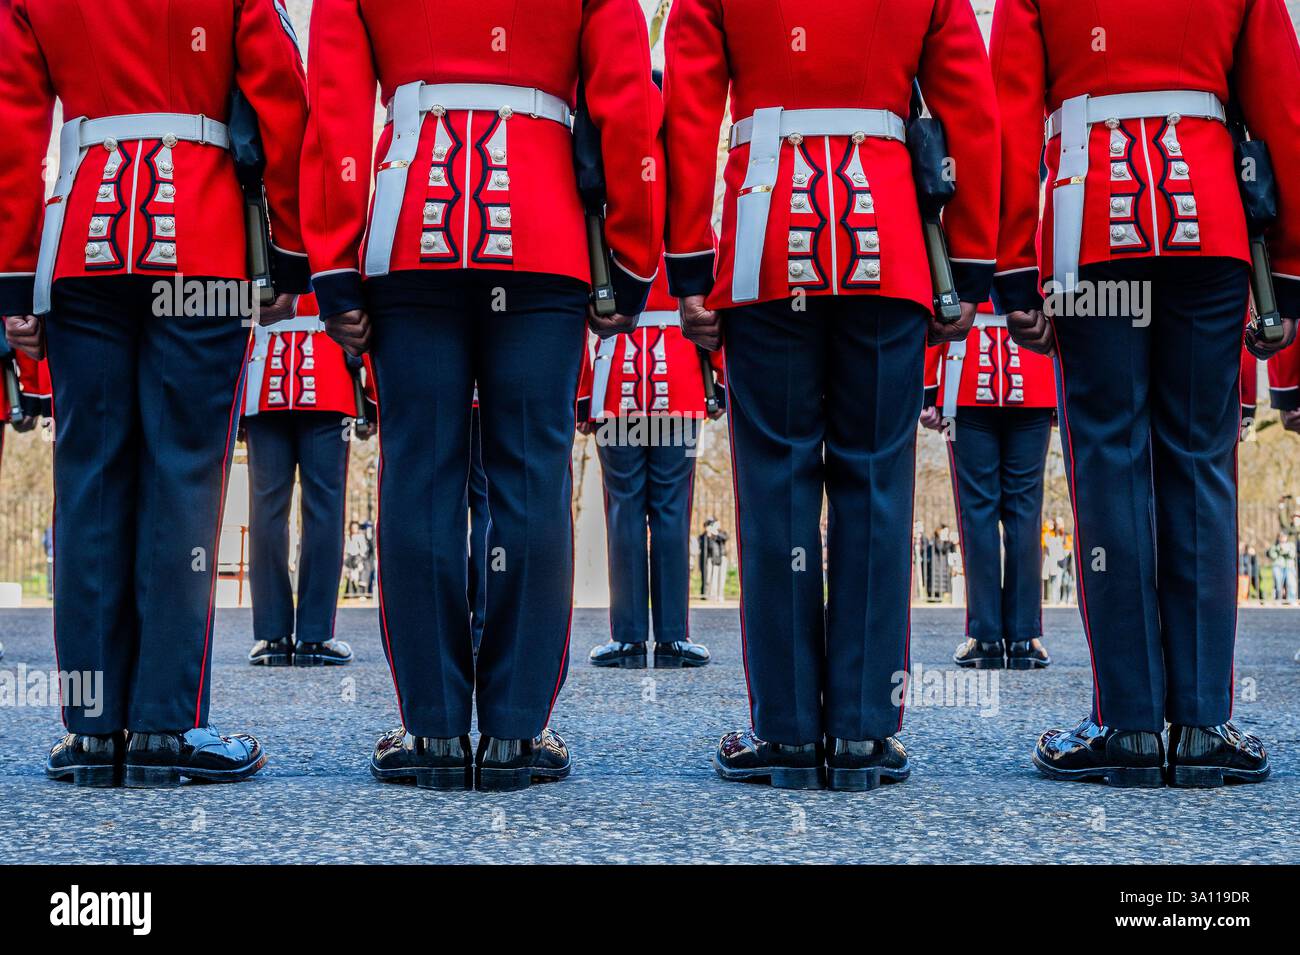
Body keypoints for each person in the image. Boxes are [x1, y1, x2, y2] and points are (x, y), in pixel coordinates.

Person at [302, 0, 664, 792]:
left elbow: (334, 105)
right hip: (543, 226)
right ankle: (514, 733)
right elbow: (628, 100)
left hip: (413, 223)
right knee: (531, 479)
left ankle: (432, 731)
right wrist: (633, 252)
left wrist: (333, 258)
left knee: (420, 474)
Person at [666, 0, 999, 790]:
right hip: (888, 241)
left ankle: (784, 729)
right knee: (877, 487)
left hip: (764, 236)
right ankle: (860, 730)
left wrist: (690, 264)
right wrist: (971, 263)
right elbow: (972, 111)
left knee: (776, 484)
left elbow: (686, 109)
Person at [0, 0, 310, 787]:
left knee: (89, 483)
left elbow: (12, 121)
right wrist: (286, 248)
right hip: (199, 242)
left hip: (84, 242)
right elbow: (280, 90)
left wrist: (13, 276)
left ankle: (92, 729)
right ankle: (168, 726)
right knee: (183, 479)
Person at [993, 0, 1297, 787]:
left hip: (1091, 221)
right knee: (1201, 462)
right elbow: (1282, 105)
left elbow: (1012, 109)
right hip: (1210, 219)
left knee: (1108, 462)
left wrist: (1013, 266)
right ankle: (1200, 722)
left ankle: (1127, 721)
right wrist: (1287, 274)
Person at [578, 262, 724, 669]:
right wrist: (720, 380)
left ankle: (627, 638)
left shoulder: (605, 234)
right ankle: (672, 638)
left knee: (623, 511)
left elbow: (574, 315)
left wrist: (584, 389)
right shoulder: (693, 241)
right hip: (679, 377)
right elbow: (717, 312)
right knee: (672, 512)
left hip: (618, 381)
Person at [922, 302, 1056, 670]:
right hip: (1034, 373)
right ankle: (1024, 637)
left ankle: (985, 636)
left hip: (964, 373)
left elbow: (939, 298)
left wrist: (929, 388)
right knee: (1024, 513)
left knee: (977, 513)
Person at [244, 293, 372, 668]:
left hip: (266, 377)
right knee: (325, 511)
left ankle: (273, 636)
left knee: (266, 511)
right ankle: (315, 635)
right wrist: (371, 393)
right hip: (327, 375)